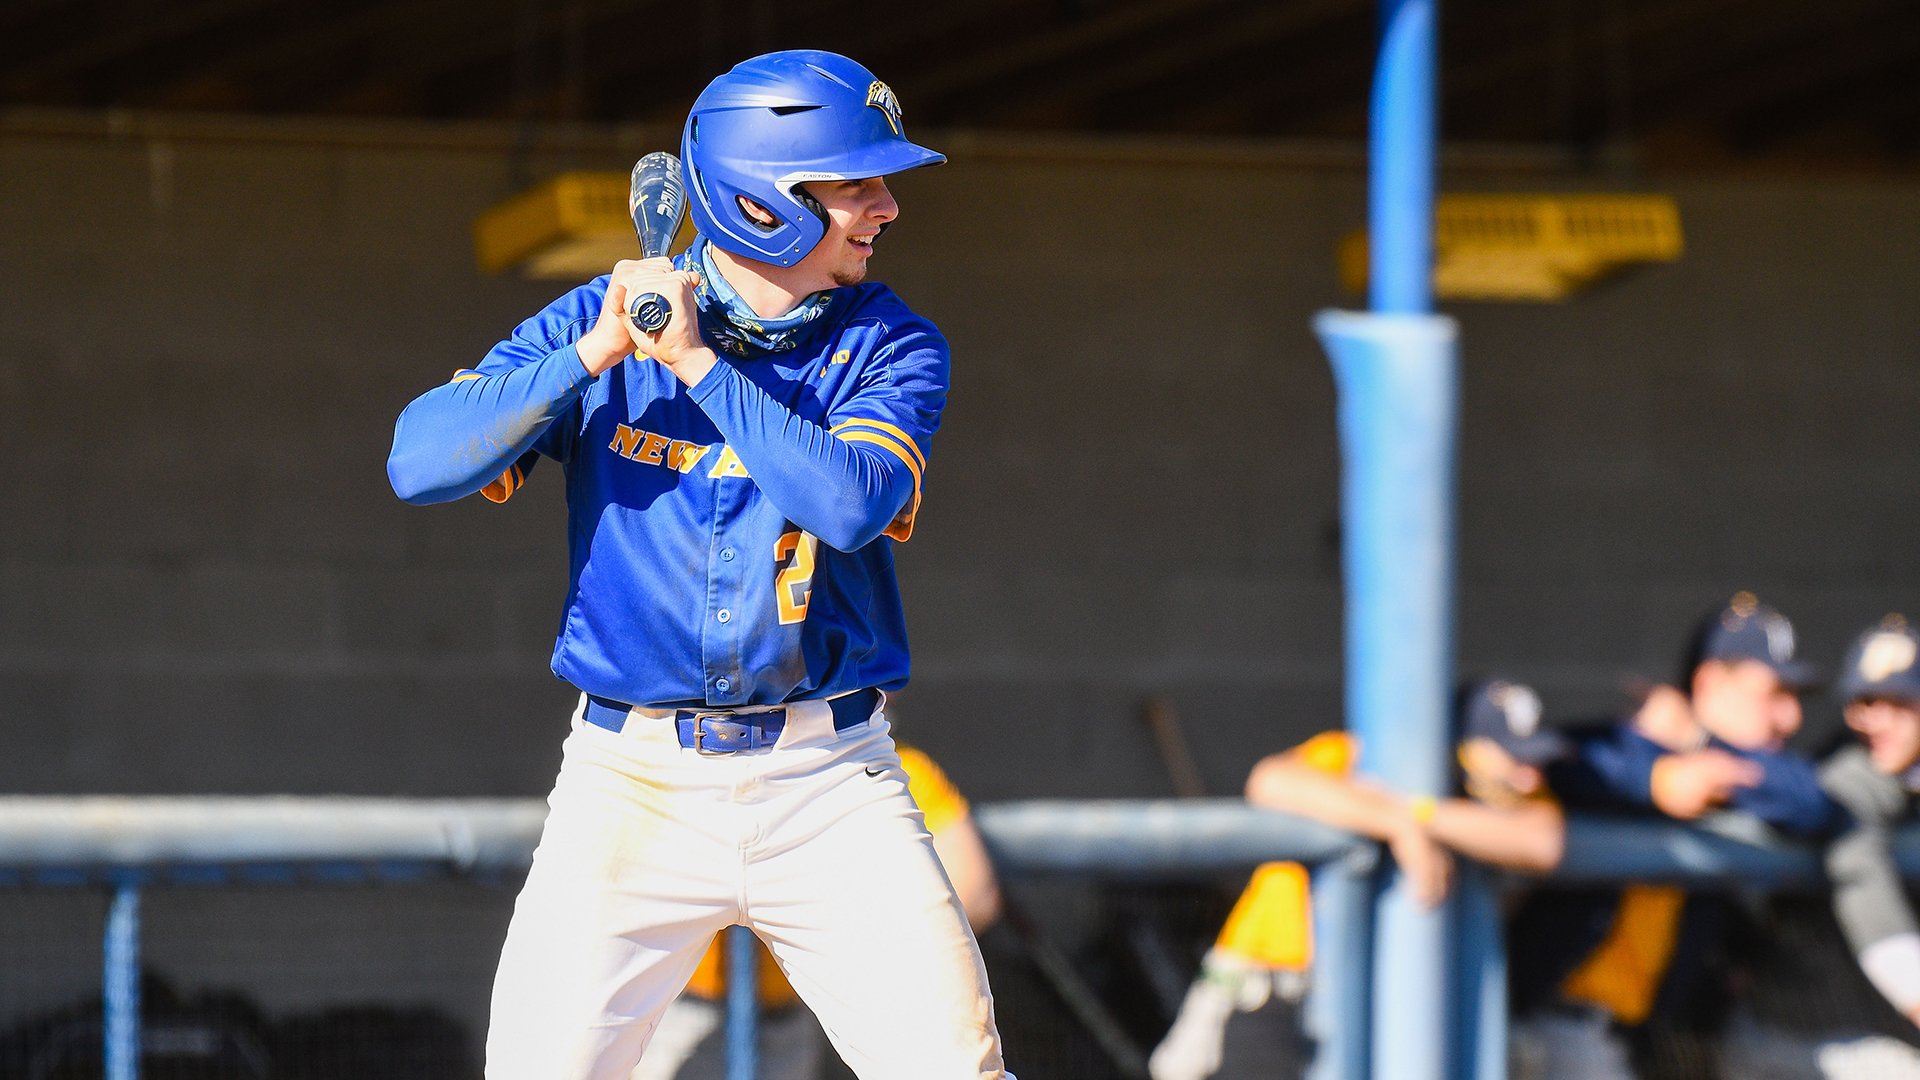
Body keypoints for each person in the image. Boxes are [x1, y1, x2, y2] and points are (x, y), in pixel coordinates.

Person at [387, 50, 1010, 1080]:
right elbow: (418, 462)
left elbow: (849, 504)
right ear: (764, 203)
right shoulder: (606, 316)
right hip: (630, 780)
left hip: (827, 779)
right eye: (853, 184)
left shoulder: (893, 343)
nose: (885, 206)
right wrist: (594, 354)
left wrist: (695, 365)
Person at [1147, 679, 1569, 1080]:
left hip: (1372, 998)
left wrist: (1416, 818)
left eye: (1534, 758)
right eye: (1514, 756)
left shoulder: (1505, 791)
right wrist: (1399, 826)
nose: (1530, 774)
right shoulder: (1374, 754)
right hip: (1267, 982)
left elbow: (1542, 842)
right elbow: (1269, 781)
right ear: (1464, 744)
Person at [635, 742, 1002, 1080]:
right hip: (683, 1002)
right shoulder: (683, 757)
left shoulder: (882, 764)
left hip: (793, 1011)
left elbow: (974, 889)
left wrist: (851, 942)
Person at [1822, 615, 1920, 1027]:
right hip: (1809, 1027)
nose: (1876, 720)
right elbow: (1860, 871)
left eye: (1898, 702)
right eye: (1864, 702)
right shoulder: (1849, 775)